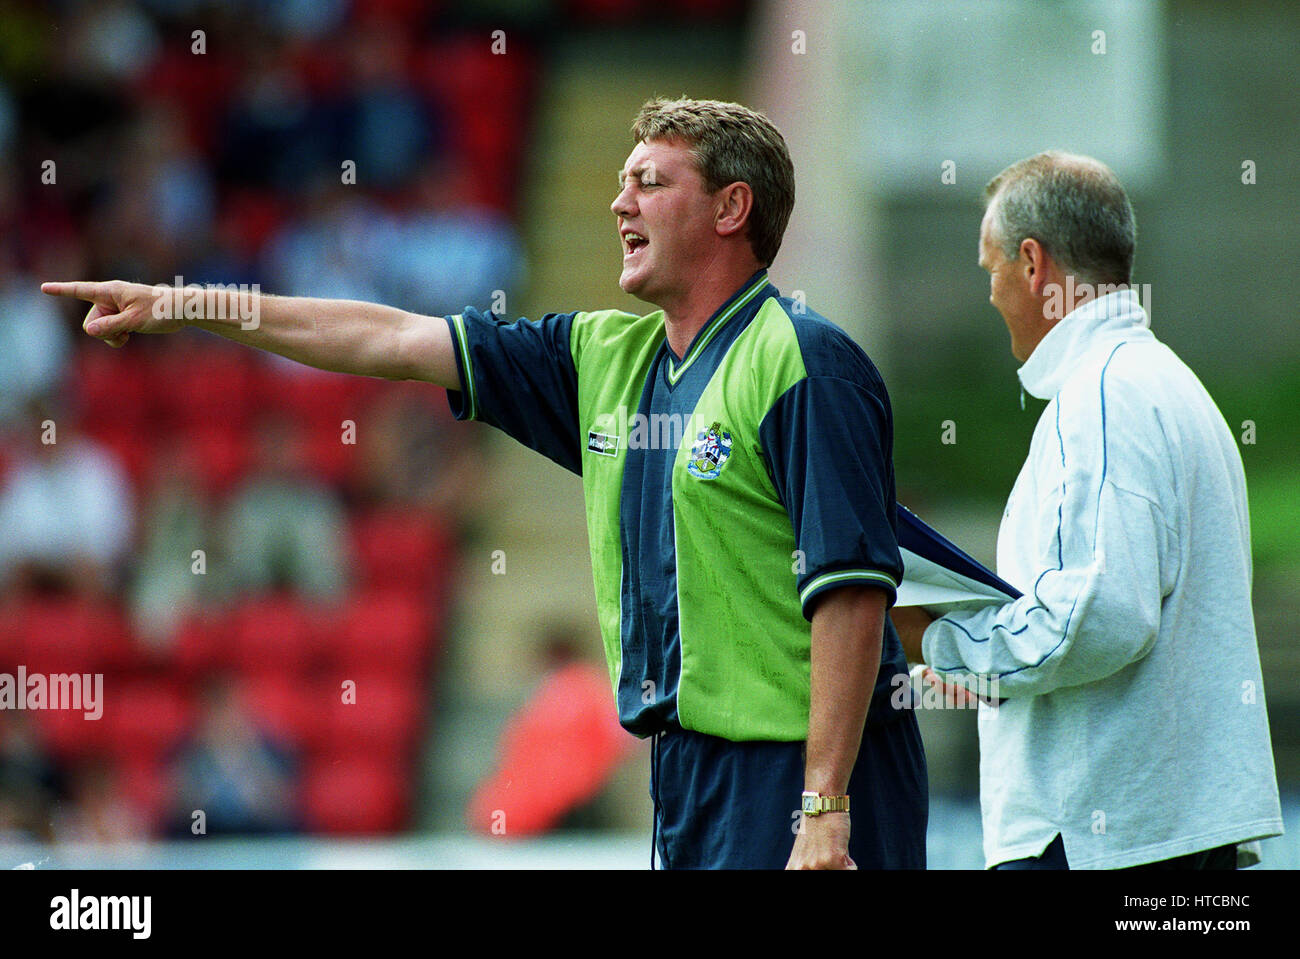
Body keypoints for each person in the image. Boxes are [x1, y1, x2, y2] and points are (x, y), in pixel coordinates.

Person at [42, 97, 927, 870]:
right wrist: (190, 304)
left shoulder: (805, 362)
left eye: (651, 182)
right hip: (691, 774)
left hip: (806, 775)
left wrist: (824, 803)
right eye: (621, 180)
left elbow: (850, 591)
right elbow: (387, 338)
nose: (619, 201)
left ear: (733, 207)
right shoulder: (600, 360)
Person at [891, 151, 1284, 870]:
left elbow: (1098, 617)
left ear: (1033, 264)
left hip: (1101, 838)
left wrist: (937, 636)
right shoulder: (1167, 384)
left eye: (991, 269)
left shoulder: (1103, 396)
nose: (990, 293)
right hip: (1170, 833)